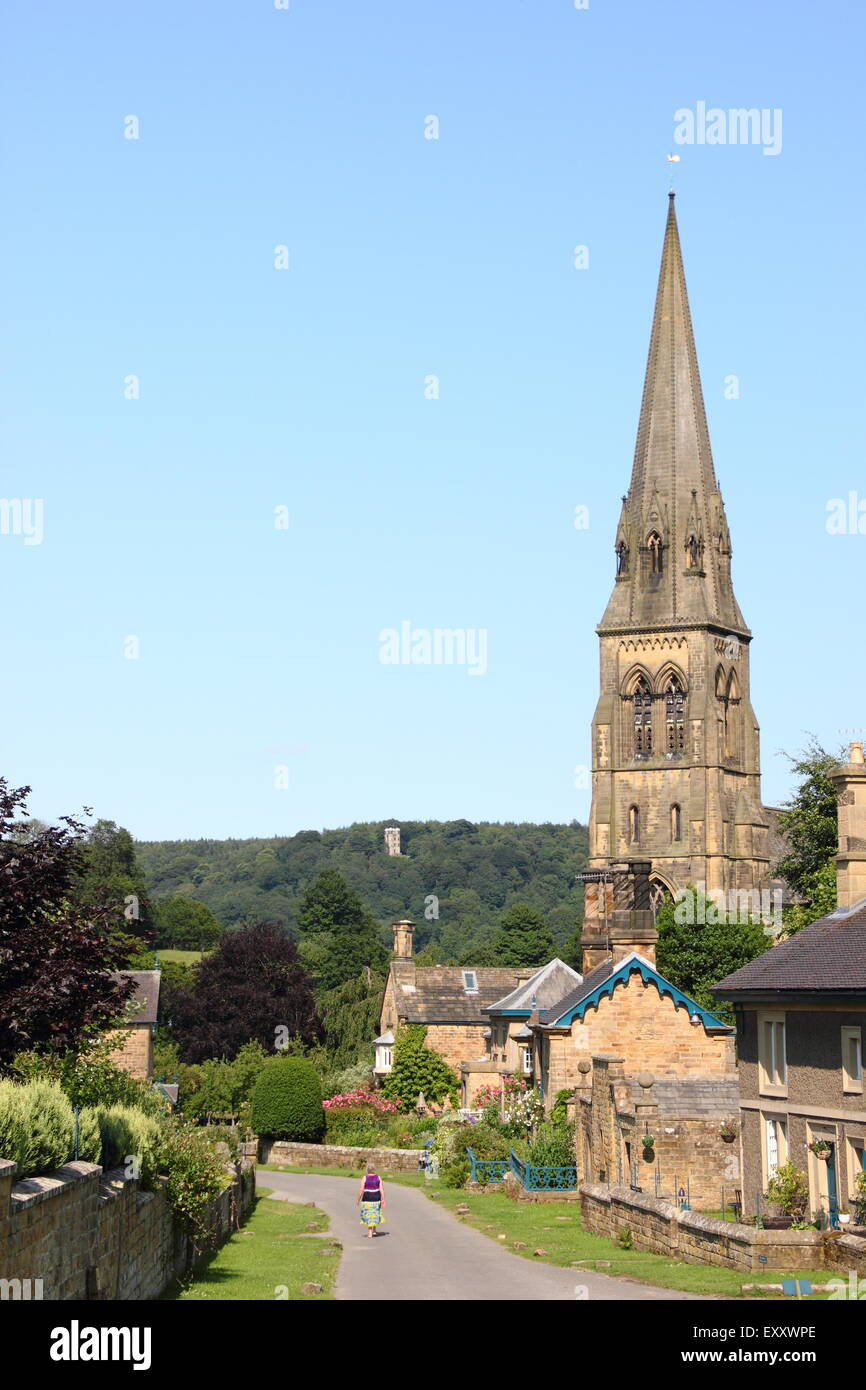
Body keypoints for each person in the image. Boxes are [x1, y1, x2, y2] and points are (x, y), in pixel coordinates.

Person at [357, 1163, 385, 1237]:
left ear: (367, 1170)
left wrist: (358, 1199)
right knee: (375, 1213)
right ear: (374, 1169)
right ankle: (374, 1231)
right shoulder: (378, 1177)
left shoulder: (365, 1178)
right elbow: (381, 1189)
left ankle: (370, 1232)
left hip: (367, 1198)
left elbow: (361, 1189)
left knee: (369, 1214)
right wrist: (383, 1199)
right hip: (376, 1198)